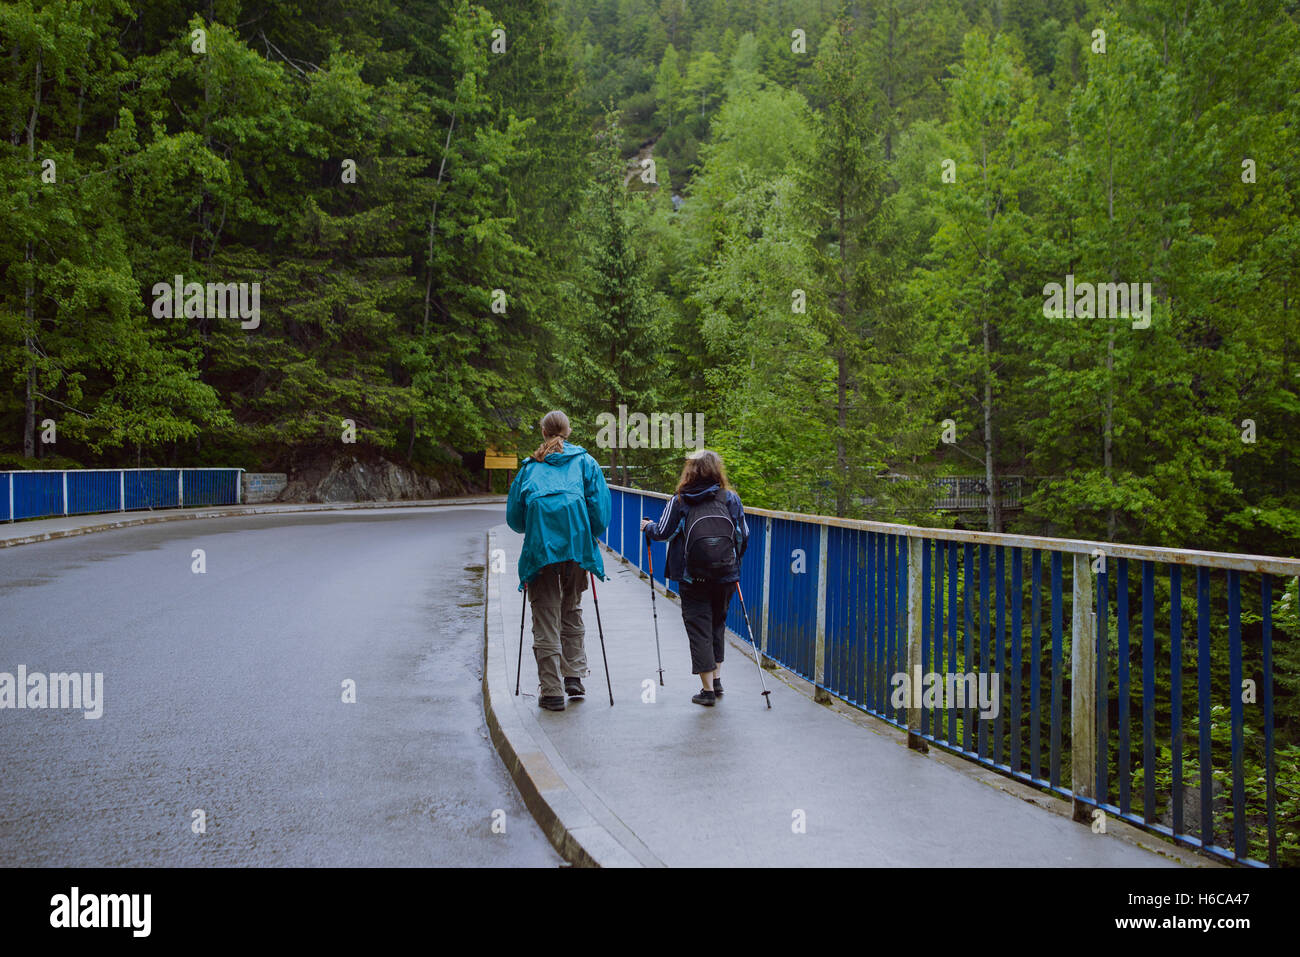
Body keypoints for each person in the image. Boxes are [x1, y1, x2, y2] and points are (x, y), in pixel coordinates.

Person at [506, 410, 611, 711]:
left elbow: (515, 520)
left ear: (543, 432)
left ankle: (551, 691)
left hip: (541, 551)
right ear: (568, 431)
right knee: (571, 606)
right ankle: (574, 675)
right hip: (577, 549)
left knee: (545, 615)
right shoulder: (586, 463)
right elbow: (600, 515)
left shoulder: (528, 468)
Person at [641, 449, 749, 706]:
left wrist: (648, 527)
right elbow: (743, 535)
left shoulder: (680, 500)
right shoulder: (730, 499)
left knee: (699, 628)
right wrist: (733, 561)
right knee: (717, 624)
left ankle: (707, 689)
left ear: (689, 470)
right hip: (725, 575)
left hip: (692, 577)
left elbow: (663, 533)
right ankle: (718, 678)